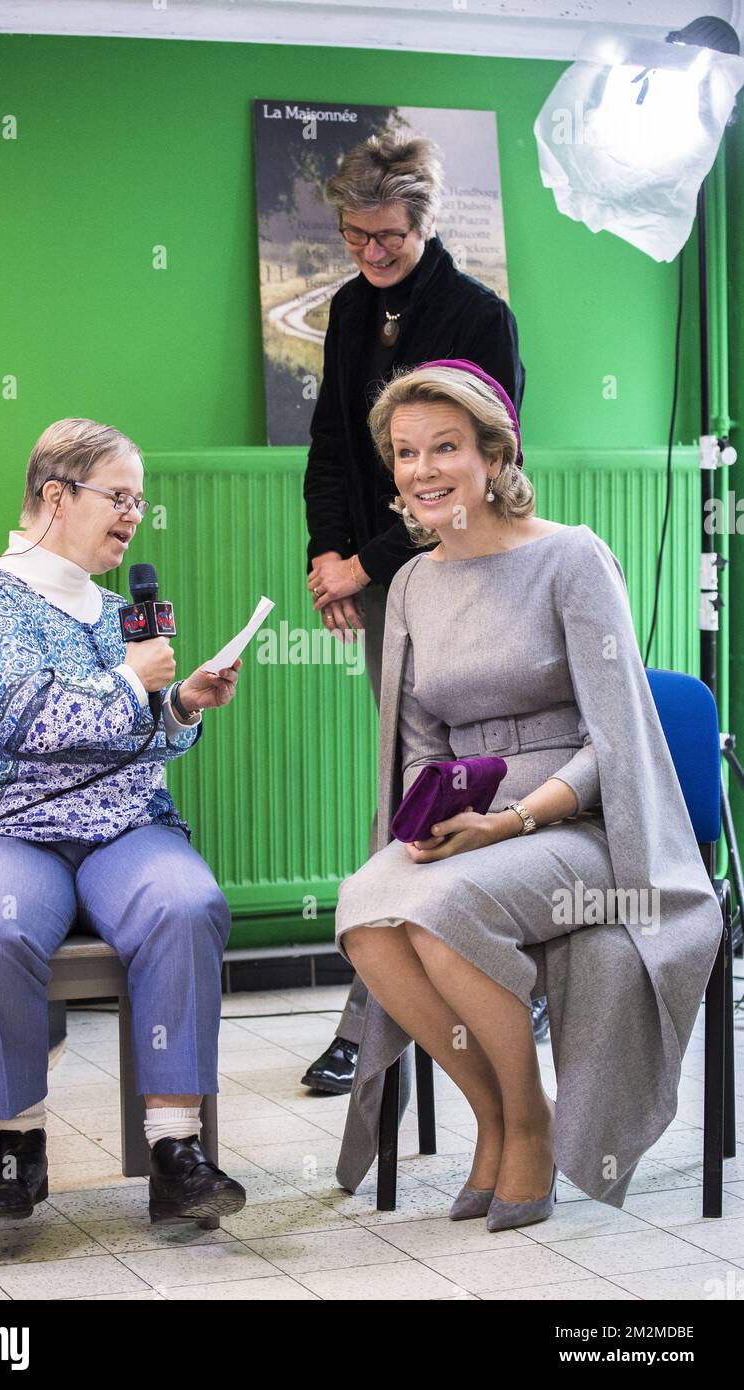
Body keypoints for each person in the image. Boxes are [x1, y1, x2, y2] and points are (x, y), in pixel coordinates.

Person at [332, 360, 724, 1229]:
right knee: (366, 909)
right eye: (404, 453)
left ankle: (533, 1134)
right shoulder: (411, 587)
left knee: (440, 913)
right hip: (469, 823)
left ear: (494, 456)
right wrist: (427, 824)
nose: (423, 471)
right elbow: (418, 745)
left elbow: (617, 736)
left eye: (444, 448)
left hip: (582, 822)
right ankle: (503, 1114)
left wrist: (512, 818)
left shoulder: (571, 558)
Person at [0, 418, 247, 1224]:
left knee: (186, 903)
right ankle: (18, 1143)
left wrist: (180, 706)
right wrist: (136, 682)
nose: (135, 514)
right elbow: (31, 717)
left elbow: (135, 740)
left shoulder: (113, 610)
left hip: (121, 827)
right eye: (119, 496)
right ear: (55, 495)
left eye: (141, 499)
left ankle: (176, 1148)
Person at [302, 132, 533, 1092]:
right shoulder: (351, 310)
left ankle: (462, 990)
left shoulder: (479, 315)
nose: (368, 253)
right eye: (354, 235)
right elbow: (331, 448)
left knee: (466, 785)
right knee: (409, 791)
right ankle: (387, 1007)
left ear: (425, 222)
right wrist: (327, 553)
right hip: (381, 579)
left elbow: (477, 470)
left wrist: (369, 560)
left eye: (385, 235)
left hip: (469, 575)